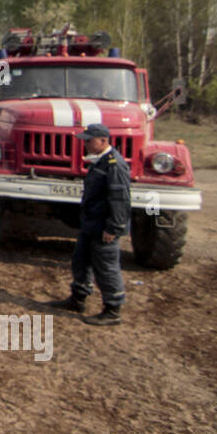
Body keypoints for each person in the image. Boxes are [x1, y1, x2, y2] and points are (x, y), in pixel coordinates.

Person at [47, 123, 130, 326]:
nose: (85, 144)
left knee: (106, 267)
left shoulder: (114, 165)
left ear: (103, 141)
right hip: (91, 224)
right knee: (81, 261)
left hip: (103, 227)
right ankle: (78, 299)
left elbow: (120, 199)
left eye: (89, 140)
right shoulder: (100, 161)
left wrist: (113, 228)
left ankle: (112, 309)